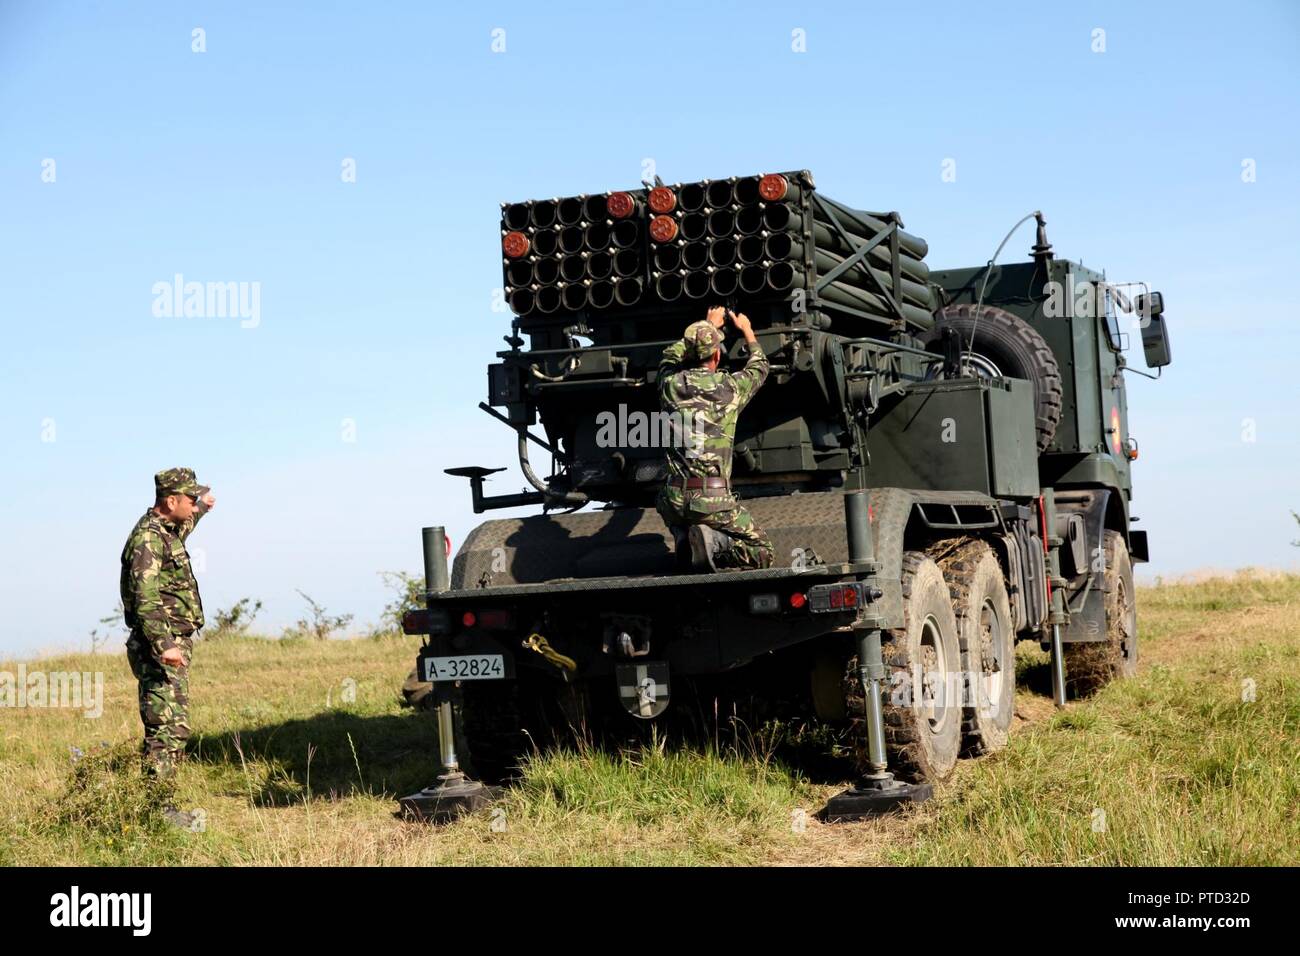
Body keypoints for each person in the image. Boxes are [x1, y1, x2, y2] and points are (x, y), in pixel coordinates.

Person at [119, 467, 215, 827]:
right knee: (165, 728)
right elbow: (145, 598)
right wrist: (164, 645)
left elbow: (185, 525)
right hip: (160, 648)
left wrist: (201, 508)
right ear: (171, 501)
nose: (193, 504)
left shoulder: (166, 531)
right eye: (190, 499)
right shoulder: (148, 540)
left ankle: (162, 806)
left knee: (175, 727)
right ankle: (158, 813)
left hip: (172, 643)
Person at [655, 306, 774, 571]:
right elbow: (760, 366)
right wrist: (747, 331)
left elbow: (668, 357)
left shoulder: (670, 385)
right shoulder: (728, 388)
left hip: (672, 500)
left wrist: (706, 325)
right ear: (717, 355)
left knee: (672, 504)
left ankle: (684, 535)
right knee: (763, 553)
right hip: (712, 500)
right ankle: (714, 542)